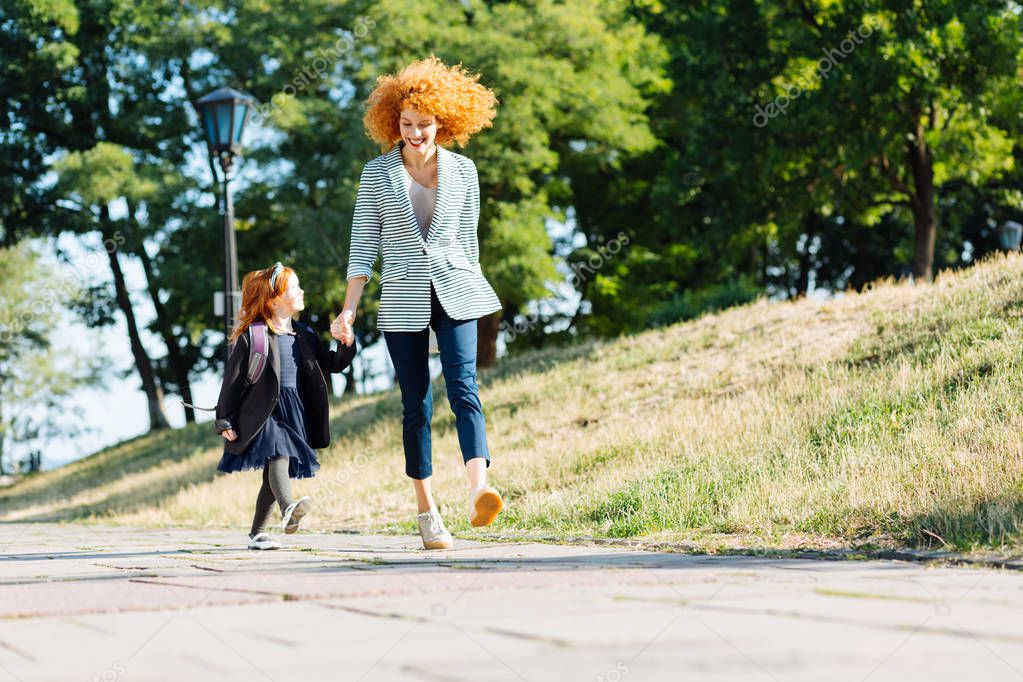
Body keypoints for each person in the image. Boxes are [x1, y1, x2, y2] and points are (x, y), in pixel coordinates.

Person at [332, 55, 504, 550]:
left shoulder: (464, 171)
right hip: (403, 296)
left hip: (456, 289)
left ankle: (480, 490)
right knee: (416, 404)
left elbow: (468, 242)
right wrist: (348, 309)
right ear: (393, 122)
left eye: (423, 125)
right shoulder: (377, 174)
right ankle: (427, 512)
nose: (414, 133)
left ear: (442, 123)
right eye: (406, 124)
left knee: (464, 387)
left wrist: (474, 289)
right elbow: (363, 246)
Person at [215, 262, 357, 549]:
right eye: (294, 287)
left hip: (295, 410)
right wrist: (224, 419)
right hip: (261, 412)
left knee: (273, 473)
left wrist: (346, 343)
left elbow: (332, 364)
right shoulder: (254, 337)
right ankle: (289, 508)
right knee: (278, 453)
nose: (302, 290)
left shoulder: (304, 334)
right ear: (273, 299)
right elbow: (231, 381)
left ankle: (257, 533)